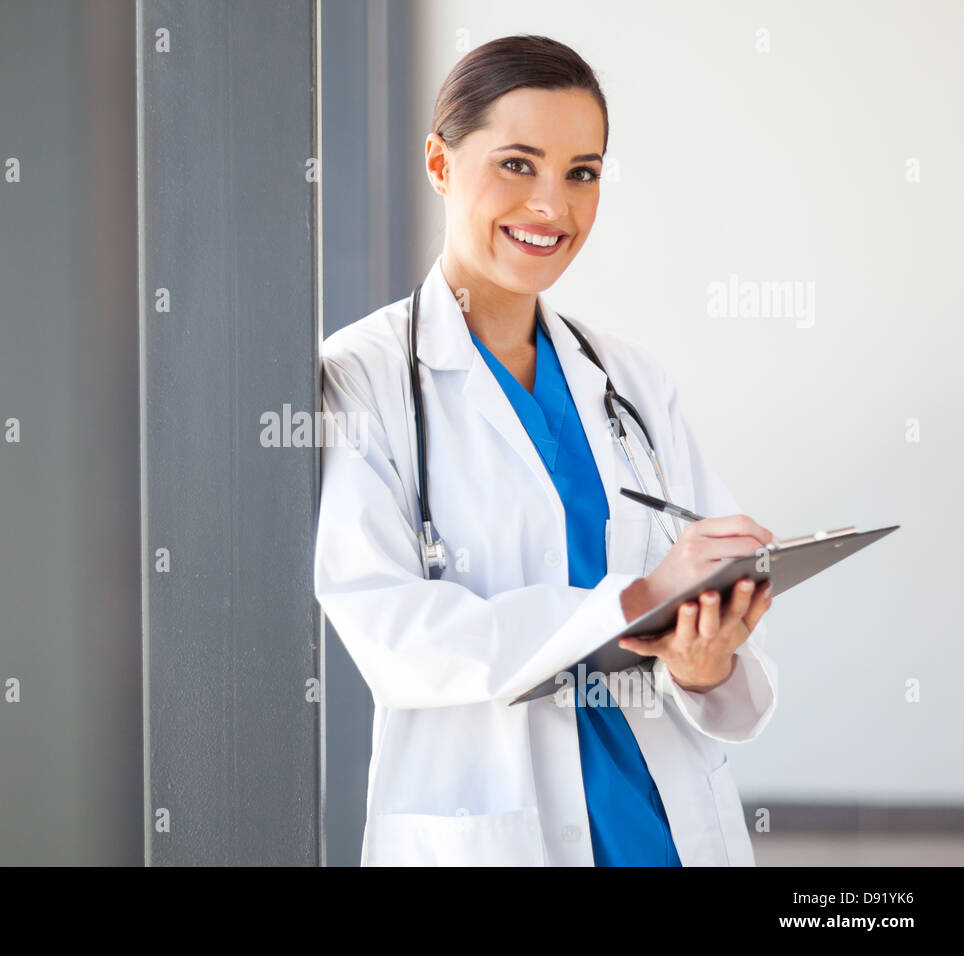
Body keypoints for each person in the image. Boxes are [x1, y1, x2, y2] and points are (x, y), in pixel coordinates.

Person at [314, 34, 779, 866]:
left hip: (662, 831)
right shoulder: (363, 377)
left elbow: (708, 626)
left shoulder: (628, 379)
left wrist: (705, 660)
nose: (551, 207)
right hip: (495, 835)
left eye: (581, 173)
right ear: (439, 163)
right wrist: (631, 601)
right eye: (517, 165)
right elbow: (393, 636)